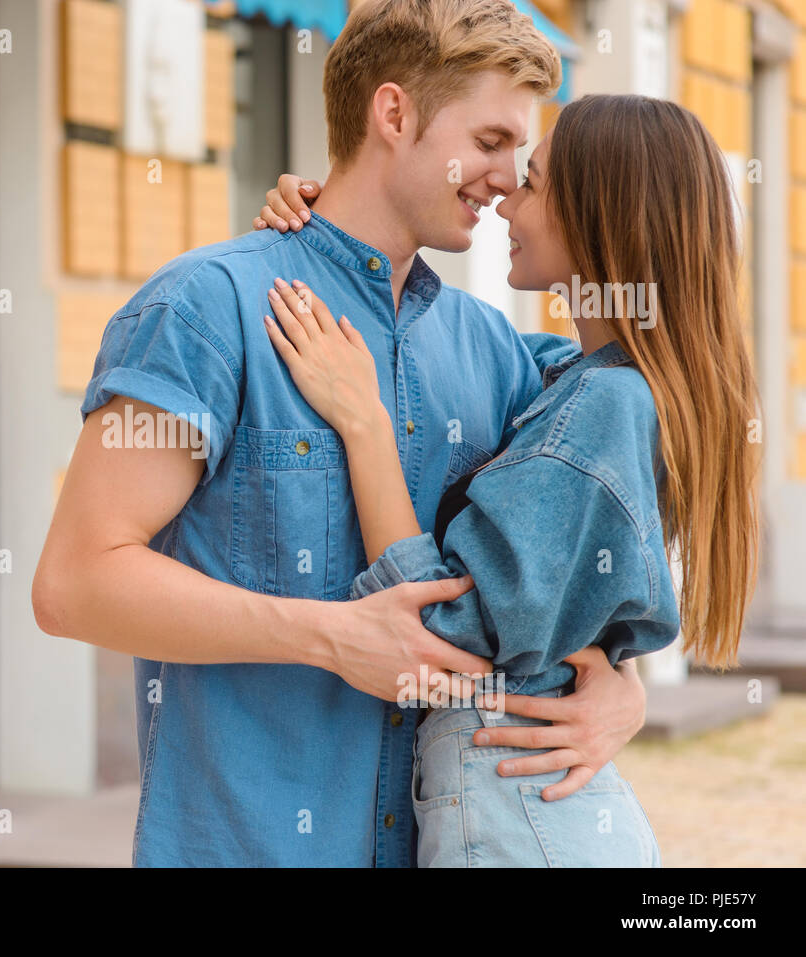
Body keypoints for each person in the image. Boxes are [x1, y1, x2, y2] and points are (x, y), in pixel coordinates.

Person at [33, 0, 651, 867]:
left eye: (519, 152)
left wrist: (625, 685)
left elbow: (582, 532)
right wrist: (327, 635)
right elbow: (72, 583)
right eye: (488, 142)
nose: (509, 177)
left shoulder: (502, 357)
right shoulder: (207, 308)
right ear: (393, 114)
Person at [256, 93, 760, 865]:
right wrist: (343, 232)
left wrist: (363, 424)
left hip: (515, 809)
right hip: (531, 803)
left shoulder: (602, 404)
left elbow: (436, 637)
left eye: (531, 182)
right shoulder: (596, 383)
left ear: (601, 215)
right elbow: (471, 350)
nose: (504, 206)